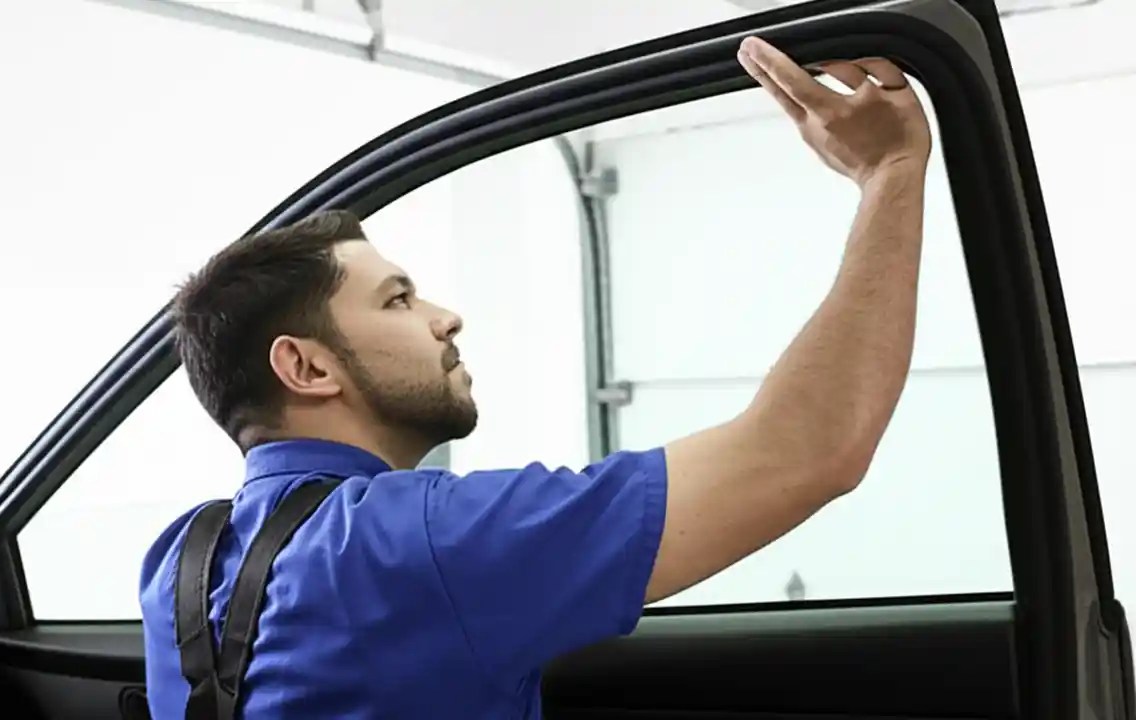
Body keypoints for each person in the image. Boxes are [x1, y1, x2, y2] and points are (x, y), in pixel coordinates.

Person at [140, 36, 933, 719]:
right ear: (306, 366)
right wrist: (892, 171)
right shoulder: (415, 542)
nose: (445, 316)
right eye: (398, 299)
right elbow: (808, 450)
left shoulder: (179, 561)